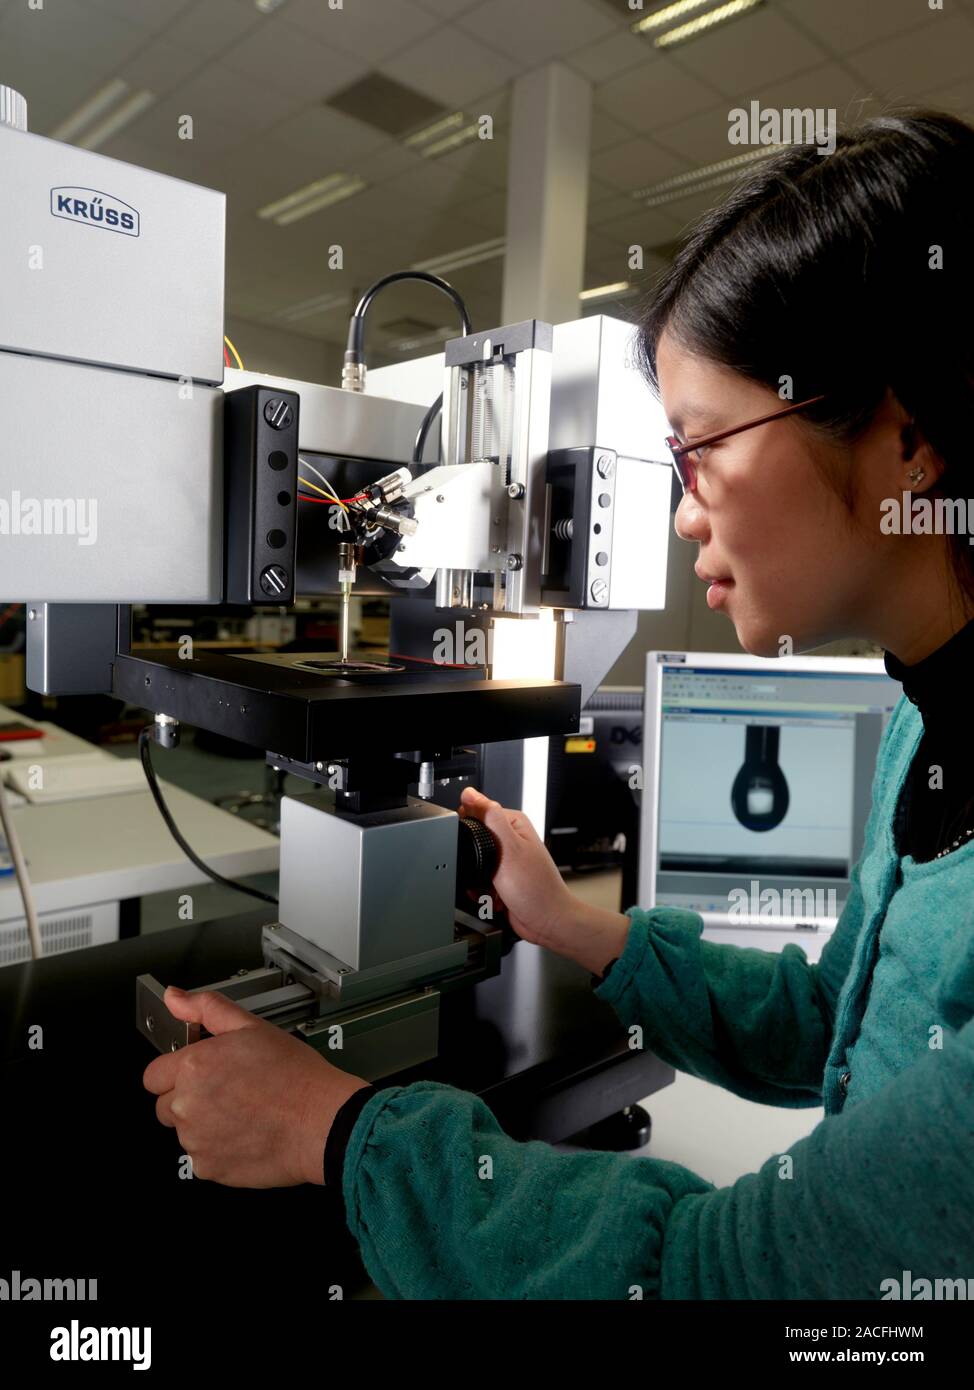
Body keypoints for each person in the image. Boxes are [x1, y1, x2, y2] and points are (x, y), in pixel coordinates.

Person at [144, 109, 974, 1299]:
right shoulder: (923, 727)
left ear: (905, 440)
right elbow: (825, 1023)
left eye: (700, 450)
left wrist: (339, 1134)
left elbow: (726, 1281)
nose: (683, 511)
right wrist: (580, 927)